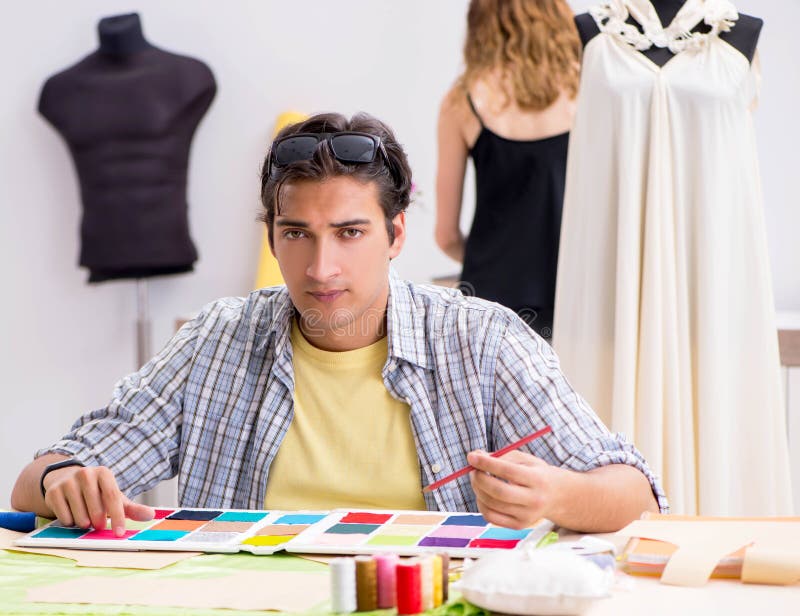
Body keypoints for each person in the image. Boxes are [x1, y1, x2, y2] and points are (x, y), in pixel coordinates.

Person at [12, 112, 667, 536]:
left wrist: (555, 496)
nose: (321, 267)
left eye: (350, 232)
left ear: (396, 233)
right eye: (296, 233)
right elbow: (38, 477)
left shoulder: (482, 341)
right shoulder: (218, 338)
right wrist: (63, 482)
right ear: (273, 236)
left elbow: (634, 492)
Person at [435, 0, 580, 339]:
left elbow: (446, 236)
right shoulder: (588, 88)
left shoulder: (462, 102)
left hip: (491, 302)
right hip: (578, 290)